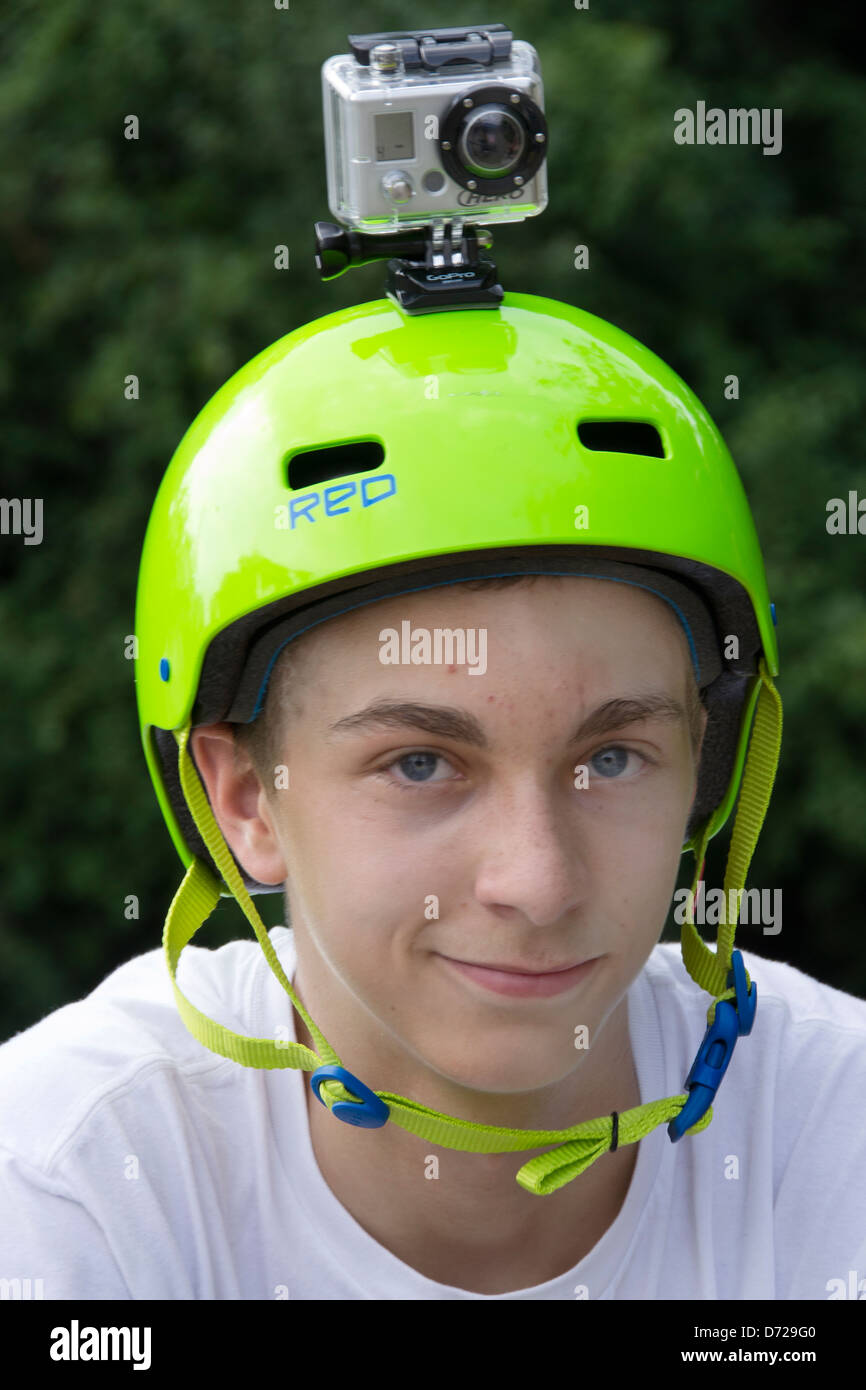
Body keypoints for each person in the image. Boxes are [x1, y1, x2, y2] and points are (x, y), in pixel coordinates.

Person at [1, 292, 864, 1301]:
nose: (535, 882)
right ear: (244, 799)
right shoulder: (67, 1180)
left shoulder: (829, 1130)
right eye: (419, 763)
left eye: (613, 757)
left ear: (707, 771)